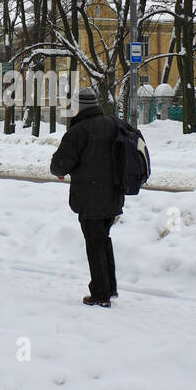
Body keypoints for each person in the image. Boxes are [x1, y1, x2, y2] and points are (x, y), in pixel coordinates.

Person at [49, 87, 123, 307]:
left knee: (95, 243)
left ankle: (100, 294)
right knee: (103, 240)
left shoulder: (78, 131)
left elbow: (60, 164)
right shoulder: (113, 124)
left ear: (79, 106)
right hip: (113, 195)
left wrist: (60, 171)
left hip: (91, 197)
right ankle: (109, 287)